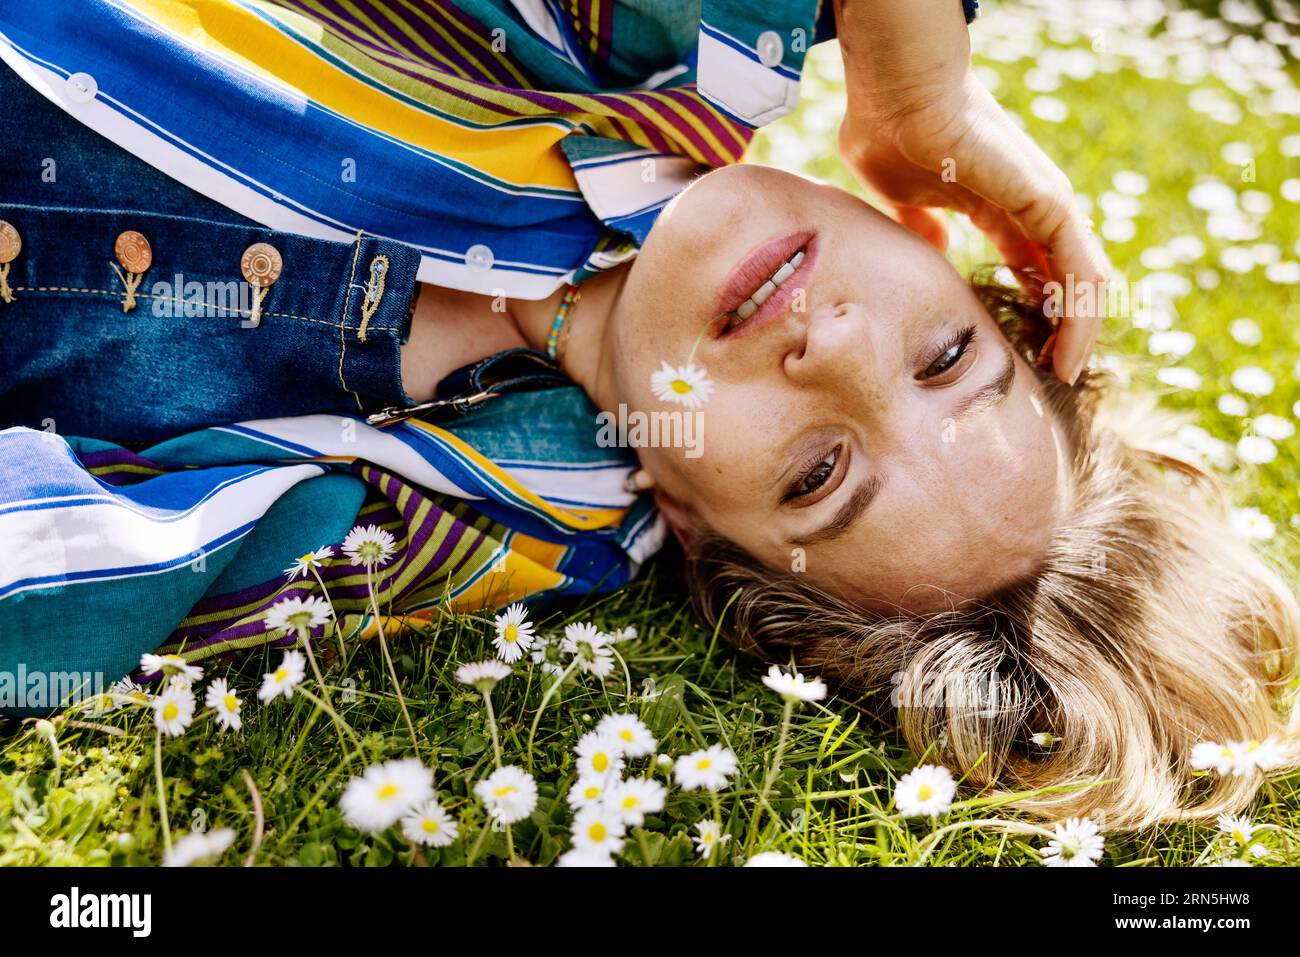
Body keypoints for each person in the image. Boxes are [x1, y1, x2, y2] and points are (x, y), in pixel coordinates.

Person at [3, 1, 1294, 830]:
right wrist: (922, 98)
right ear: (965, 274)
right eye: (946, 351)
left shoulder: (475, 508)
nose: (832, 342)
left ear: (693, 527)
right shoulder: (663, 54)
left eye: (820, 473)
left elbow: (67, 570)